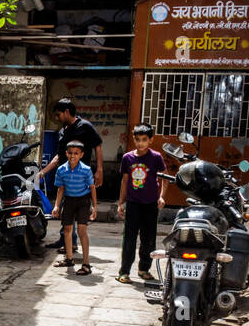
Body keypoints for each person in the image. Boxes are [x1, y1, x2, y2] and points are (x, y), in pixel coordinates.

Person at [39, 98, 104, 251]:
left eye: (58, 114)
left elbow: (98, 146)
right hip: (65, 176)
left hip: (81, 177)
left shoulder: (85, 127)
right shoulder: (63, 130)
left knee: (73, 208)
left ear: (67, 112)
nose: (57, 118)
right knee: (64, 208)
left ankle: (72, 242)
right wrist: (43, 172)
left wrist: (99, 169)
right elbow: (59, 156)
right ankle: (65, 239)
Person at [116, 123, 168, 283]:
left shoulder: (156, 157)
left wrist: (162, 197)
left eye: (144, 139)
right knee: (129, 238)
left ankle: (144, 269)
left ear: (151, 140)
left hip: (151, 204)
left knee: (148, 239)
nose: (140, 143)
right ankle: (124, 272)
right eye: (137, 139)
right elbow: (125, 181)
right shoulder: (127, 158)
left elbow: (165, 178)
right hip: (133, 204)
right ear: (134, 139)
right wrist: (121, 203)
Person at [51, 140, 97, 275]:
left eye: (76, 153)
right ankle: (69, 259)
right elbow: (61, 188)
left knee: (82, 231)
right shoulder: (61, 169)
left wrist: (94, 207)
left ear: (81, 154)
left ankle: (86, 263)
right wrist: (56, 206)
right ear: (66, 153)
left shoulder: (86, 170)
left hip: (83, 201)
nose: (73, 156)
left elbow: (92, 188)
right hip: (69, 201)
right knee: (67, 229)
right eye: (70, 153)